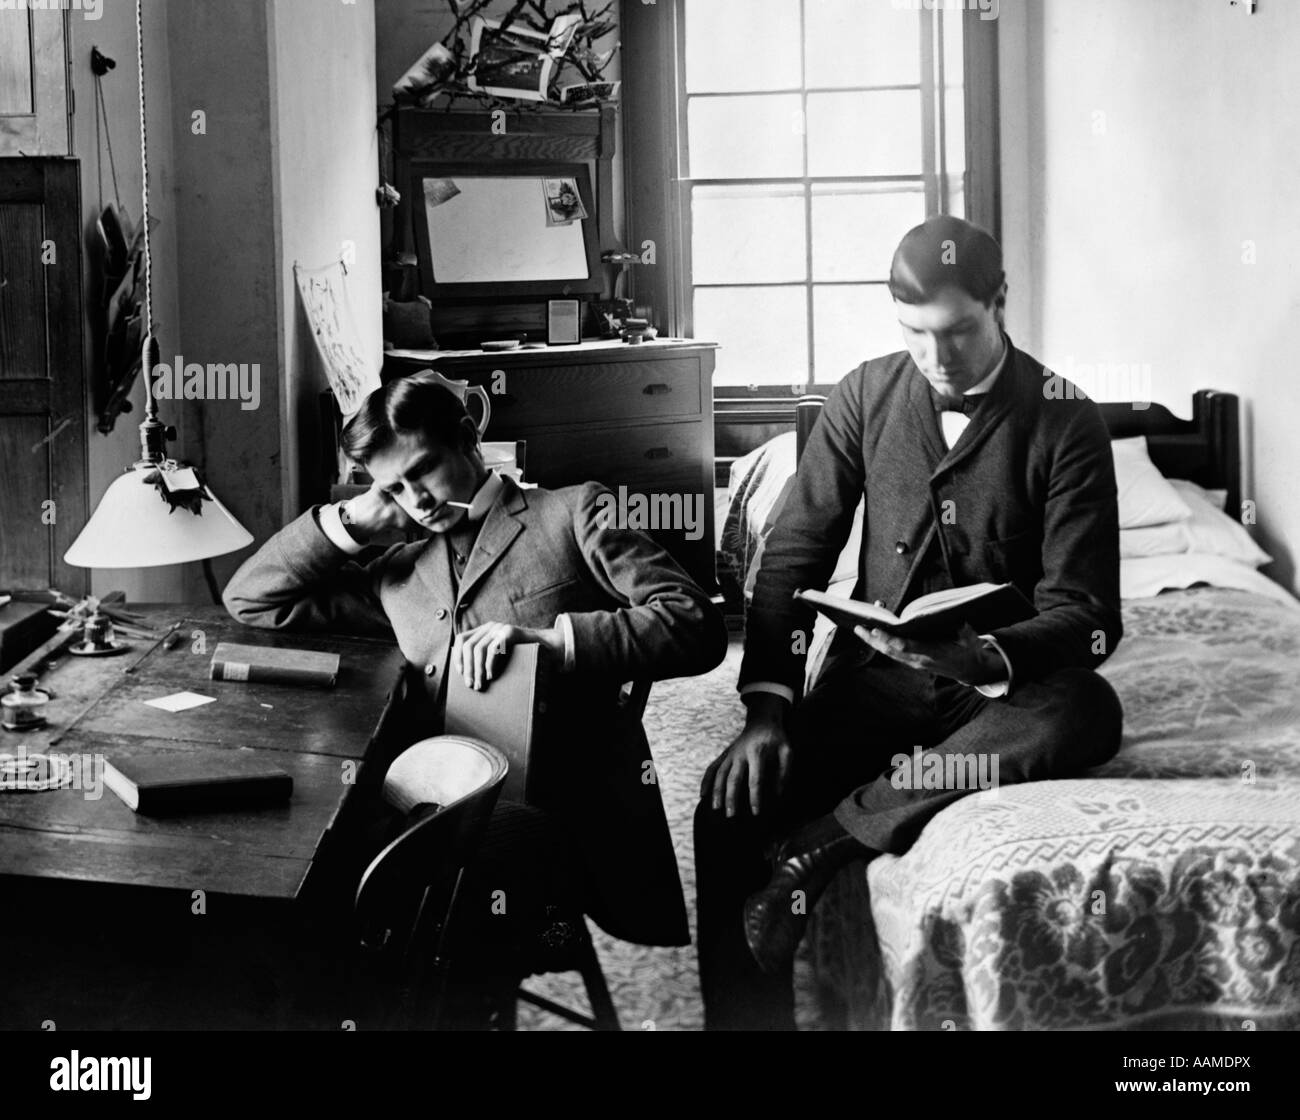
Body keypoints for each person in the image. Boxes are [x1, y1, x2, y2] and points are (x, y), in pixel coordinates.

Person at [694, 215, 1125, 1030]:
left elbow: (1090, 615)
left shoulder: (1068, 420)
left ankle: (824, 843)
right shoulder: (864, 394)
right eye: (915, 335)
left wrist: (984, 655)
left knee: (1085, 707)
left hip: (994, 697)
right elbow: (793, 556)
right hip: (873, 687)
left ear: (1001, 303)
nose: (938, 359)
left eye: (959, 332)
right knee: (727, 805)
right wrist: (767, 709)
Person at [223, 371, 728, 956]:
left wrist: (554, 642)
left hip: (551, 815)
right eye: (393, 489)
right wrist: (353, 524)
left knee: (363, 908)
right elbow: (250, 600)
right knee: (299, 871)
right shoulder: (399, 570)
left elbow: (696, 625)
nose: (418, 501)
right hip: (432, 810)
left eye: (423, 471)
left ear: (467, 439)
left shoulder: (571, 512)